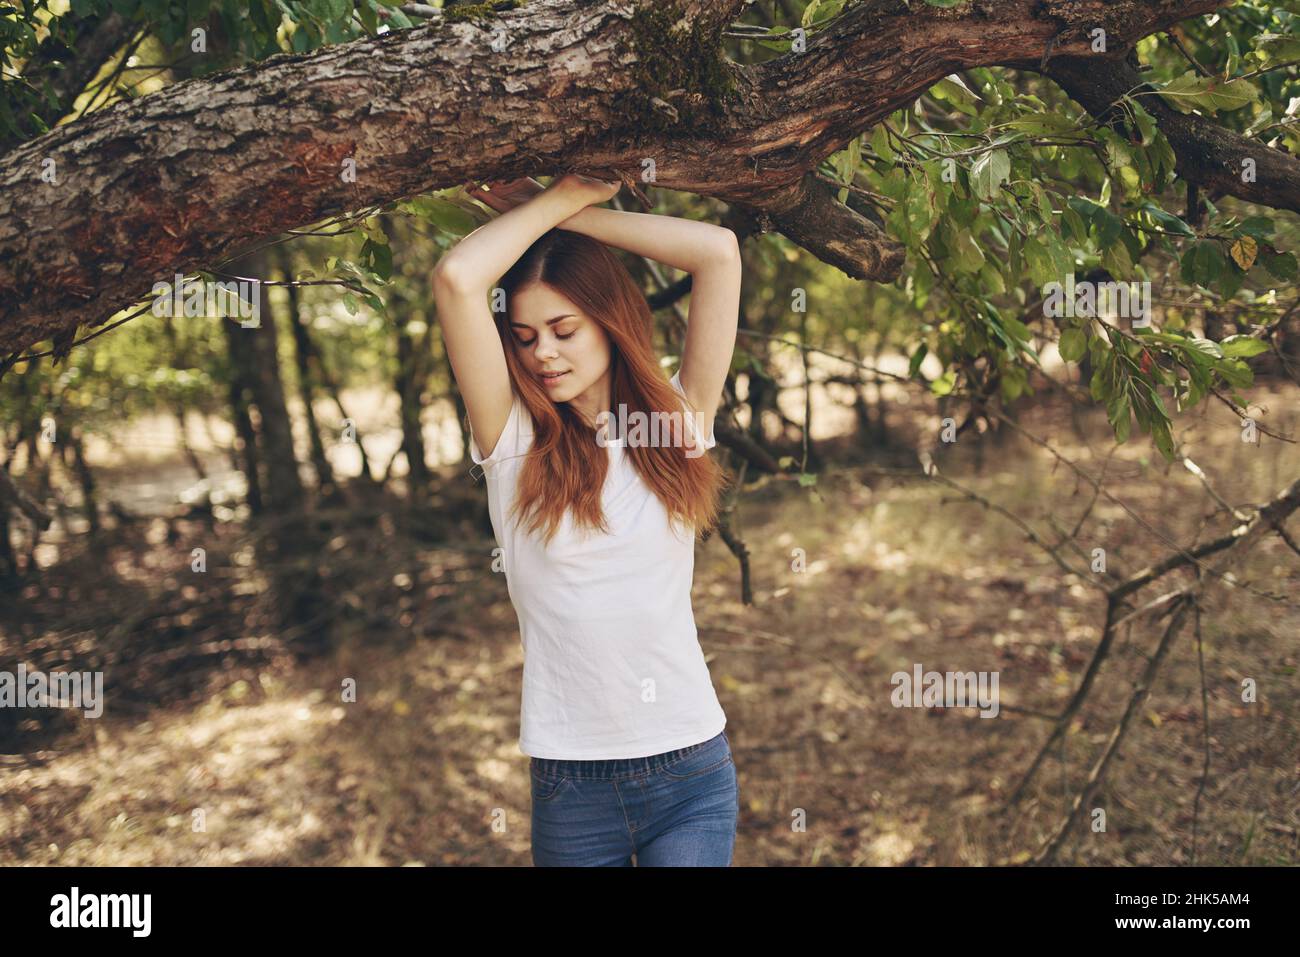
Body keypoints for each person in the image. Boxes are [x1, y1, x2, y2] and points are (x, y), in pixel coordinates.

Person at [432, 173, 743, 866]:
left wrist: (571, 216)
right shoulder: (513, 442)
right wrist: (551, 202)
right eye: (524, 337)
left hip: (691, 770)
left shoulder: (675, 426)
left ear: (609, 321)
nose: (542, 352)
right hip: (573, 788)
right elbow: (457, 279)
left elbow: (718, 252)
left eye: (564, 329)